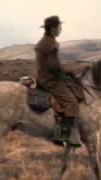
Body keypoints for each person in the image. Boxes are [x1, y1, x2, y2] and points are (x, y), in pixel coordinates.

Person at [34, 15, 80, 145]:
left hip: (43, 78)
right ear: (53, 28)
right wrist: (66, 72)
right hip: (50, 80)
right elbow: (54, 66)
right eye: (60, 27)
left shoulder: (44, 41)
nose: (61, 29)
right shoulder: (51, 43)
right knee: (72, 103)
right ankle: (63, 135)